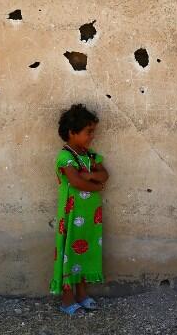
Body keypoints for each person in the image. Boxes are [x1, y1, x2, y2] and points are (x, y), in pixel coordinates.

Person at [50, 104, 109, 315]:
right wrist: (97, 185)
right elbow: (76, 182)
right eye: (88, 132)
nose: (92, 136)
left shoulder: (90, 155)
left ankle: (82, 294)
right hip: (71, 214)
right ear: (72, 133)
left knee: (85, 252)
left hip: (90, 217)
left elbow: (104, 174)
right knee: (69, 254)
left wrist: (92, 176)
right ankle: (67, 299)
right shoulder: (65, 157)